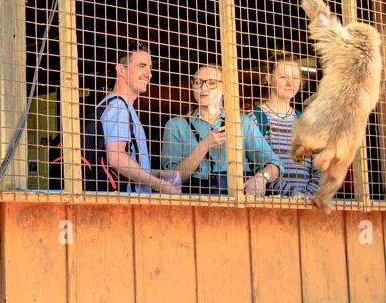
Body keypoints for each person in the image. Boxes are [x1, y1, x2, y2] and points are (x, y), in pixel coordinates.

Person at [161, 63, 281, 195]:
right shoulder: (175, 125)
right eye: (197, 82)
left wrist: (262, 178)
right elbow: (171, 180)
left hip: (236, 201)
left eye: (211, 83)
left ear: (225, 87)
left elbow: (275, 165)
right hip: (195, 201)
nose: (203, 88)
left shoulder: (241, 122)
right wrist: (204, 146)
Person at [99, 45, 182, 194]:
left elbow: (126, 162)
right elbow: (116, 159)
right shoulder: (118, 107)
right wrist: (161, 186)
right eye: (142, 66)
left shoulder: (122, 106)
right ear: (121, 70)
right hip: (127, 206)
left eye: (150, 67)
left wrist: (155, 175)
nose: (148, 74)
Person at [250, 51, 321, 198]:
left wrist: (308, 196)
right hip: (271, 205)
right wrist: (293, 196)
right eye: (283, 77)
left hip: (307, 206)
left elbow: (320, 166)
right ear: (269, 79)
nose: (290, 83)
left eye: (295, 78)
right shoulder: (255, 118)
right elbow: (256, 165)